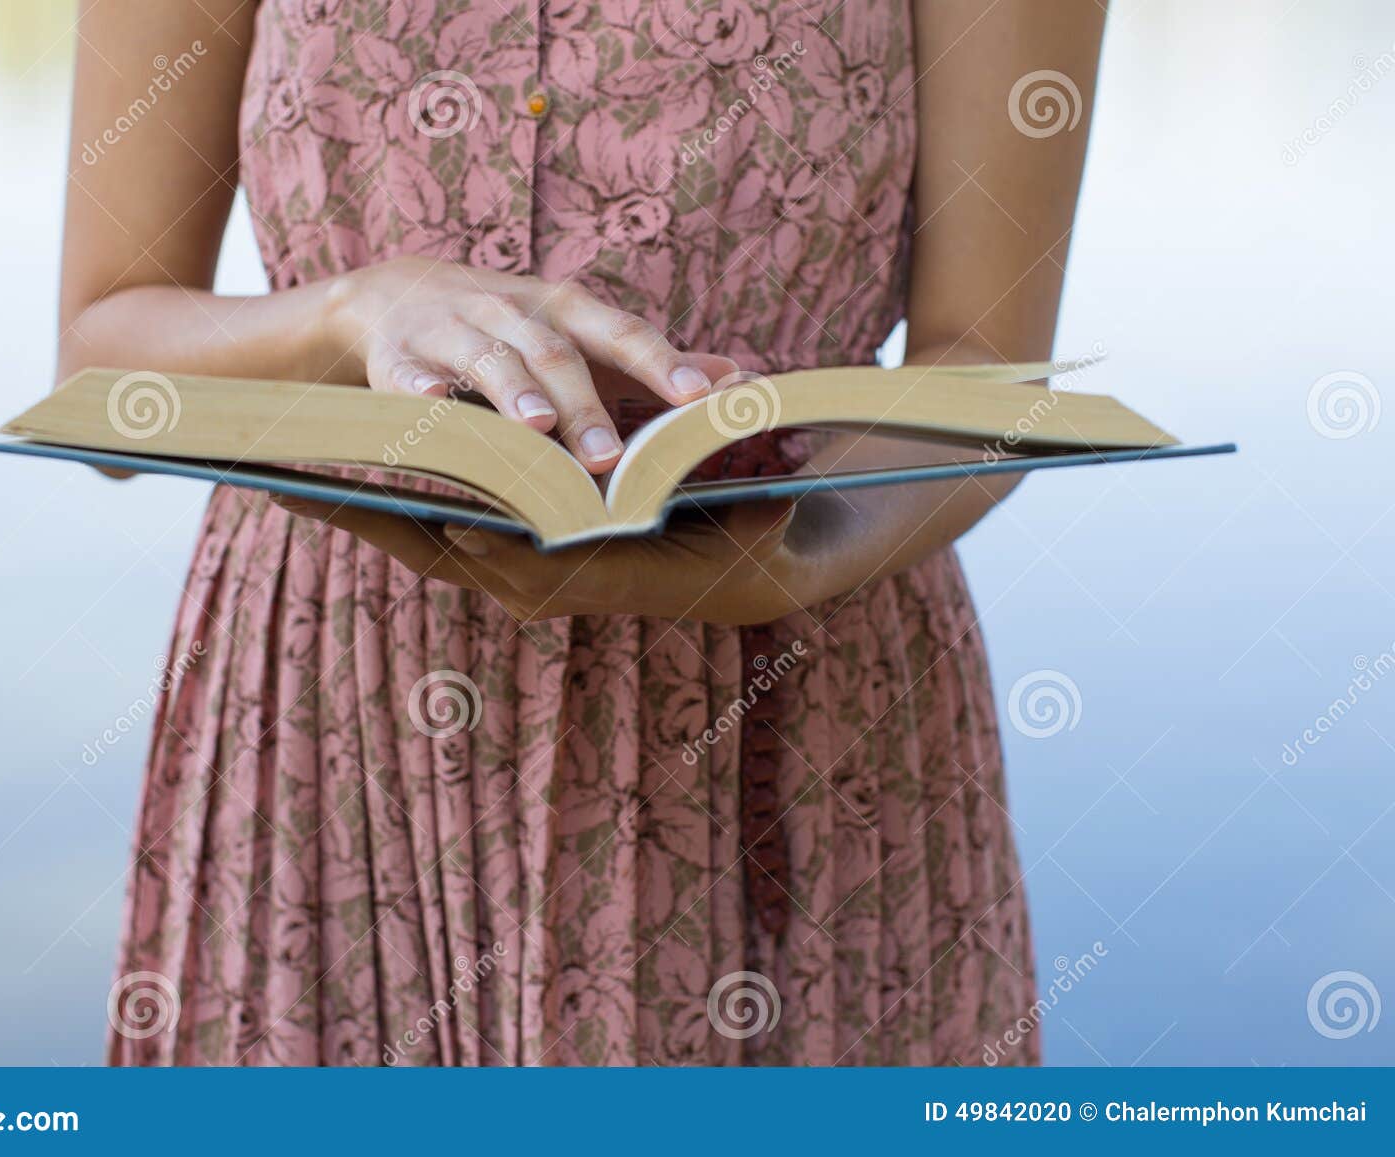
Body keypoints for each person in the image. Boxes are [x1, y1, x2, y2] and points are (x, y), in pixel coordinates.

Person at [58, 0, 1103, 1065]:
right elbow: (100, 368)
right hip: (330, 716)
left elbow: (985, 369)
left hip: (795, 690)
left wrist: (797, 546)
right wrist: (348, 314)